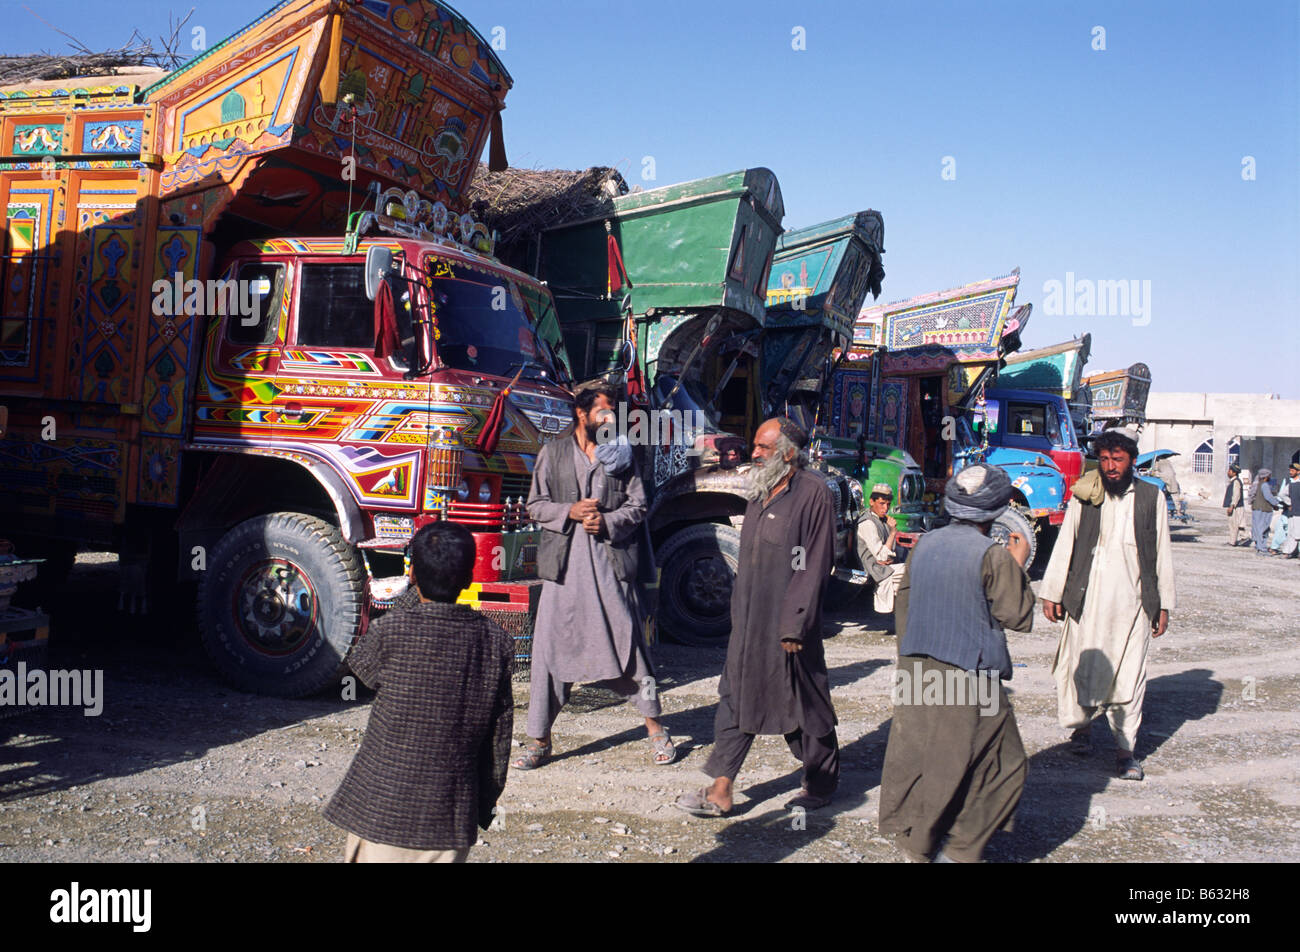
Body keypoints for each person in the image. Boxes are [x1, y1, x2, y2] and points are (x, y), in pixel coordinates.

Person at [323, 521, 514, 862]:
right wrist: (483, 805)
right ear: (470, 579)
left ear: (412, 576)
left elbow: (361, 667)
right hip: (448, 818)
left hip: (379, 811)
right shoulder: (494, 643)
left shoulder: (392, 630)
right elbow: (498, 742)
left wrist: (414, 593)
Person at [675, 417, 838, 816]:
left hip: (787, 625)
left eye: (763, 447)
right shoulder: (761, 490)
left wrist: (795, 623)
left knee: (802, 703)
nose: (754, 453)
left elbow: (814, 564)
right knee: (734, 696)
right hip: (749, 621)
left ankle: (820, 782)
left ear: (786, 452)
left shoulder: (813, 493)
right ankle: (721, 788)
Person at [877, 464, 1035, 863]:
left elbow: (905, 607)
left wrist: (910, 666)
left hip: (917, 665)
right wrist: (1018, 563)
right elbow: (1017, 615)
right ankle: (960, 850)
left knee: (927, 755)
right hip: (969, 676)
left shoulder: (925, 545)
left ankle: (920, 845)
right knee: (1003, 764)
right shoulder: (992, 555)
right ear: (995, 509)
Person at [513, 384, 674, 770]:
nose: (609, 421)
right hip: (564, 572)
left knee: (630, 645)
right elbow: (534, 506)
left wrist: (607, 521)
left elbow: (638, 505)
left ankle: (656, 729)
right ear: (581, 415)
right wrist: (569, 511)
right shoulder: (552, 453)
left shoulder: (622, 453)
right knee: (550, 652)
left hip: (610, 567)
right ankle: (539, 740)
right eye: (602, 413)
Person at [1040, 428, 1175, 781]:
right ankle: (1081, 730)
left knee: (1129, 677)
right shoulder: (1085, 495)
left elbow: (1162, 555)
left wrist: (1163, 604)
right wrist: (1052, 592)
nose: (1111, 467)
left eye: (1118, 459)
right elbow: (1065, 543)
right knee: (1077, 667)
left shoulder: (1150, 498)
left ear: (1132, 460)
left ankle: (1125, 752)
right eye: (1104, 459)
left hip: (1132, 606)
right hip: (1086, 599)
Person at [857, 482, 905, 617]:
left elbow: (888, 556)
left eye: (888, 505)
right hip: (874, 568)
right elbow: (882, 558)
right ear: (871, 502)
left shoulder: (881, 520)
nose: (885, 508)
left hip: (883, 566)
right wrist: (893, 533)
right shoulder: (867, 523)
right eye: (882, 504)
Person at [1250, 469, 1281, 555]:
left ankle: (1259, 546)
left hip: (1257, 508)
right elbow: (1268, 497)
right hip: (1263, 509)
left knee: (1257, 528)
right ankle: (1262, 549)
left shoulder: (1258, 484)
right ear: (1266, 476)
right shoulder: (1264, 485)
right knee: (1262, 529)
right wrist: (1276, 504)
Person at [1277, 462, 1300, 559]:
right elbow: (1281, 494)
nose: (1290, 472)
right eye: (1290, 470)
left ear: (1298, 472)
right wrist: (1289, 503)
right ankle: (1287, 552)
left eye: (1293, 470)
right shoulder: (1290, 485)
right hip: (1293, 512)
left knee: (1297, 533)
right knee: (1292, 533)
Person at [1224, 464, 1249, 546]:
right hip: (1236, 506)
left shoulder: (1236, 482)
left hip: (1236, 507)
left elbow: (1236, 495)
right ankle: (1243, 537)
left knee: (1234, 524)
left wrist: (1232, 506)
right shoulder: (1234, 481)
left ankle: (1233, 541)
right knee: (1238, 524)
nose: (1228, 472)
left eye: (1230, 471)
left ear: (1234, 473)